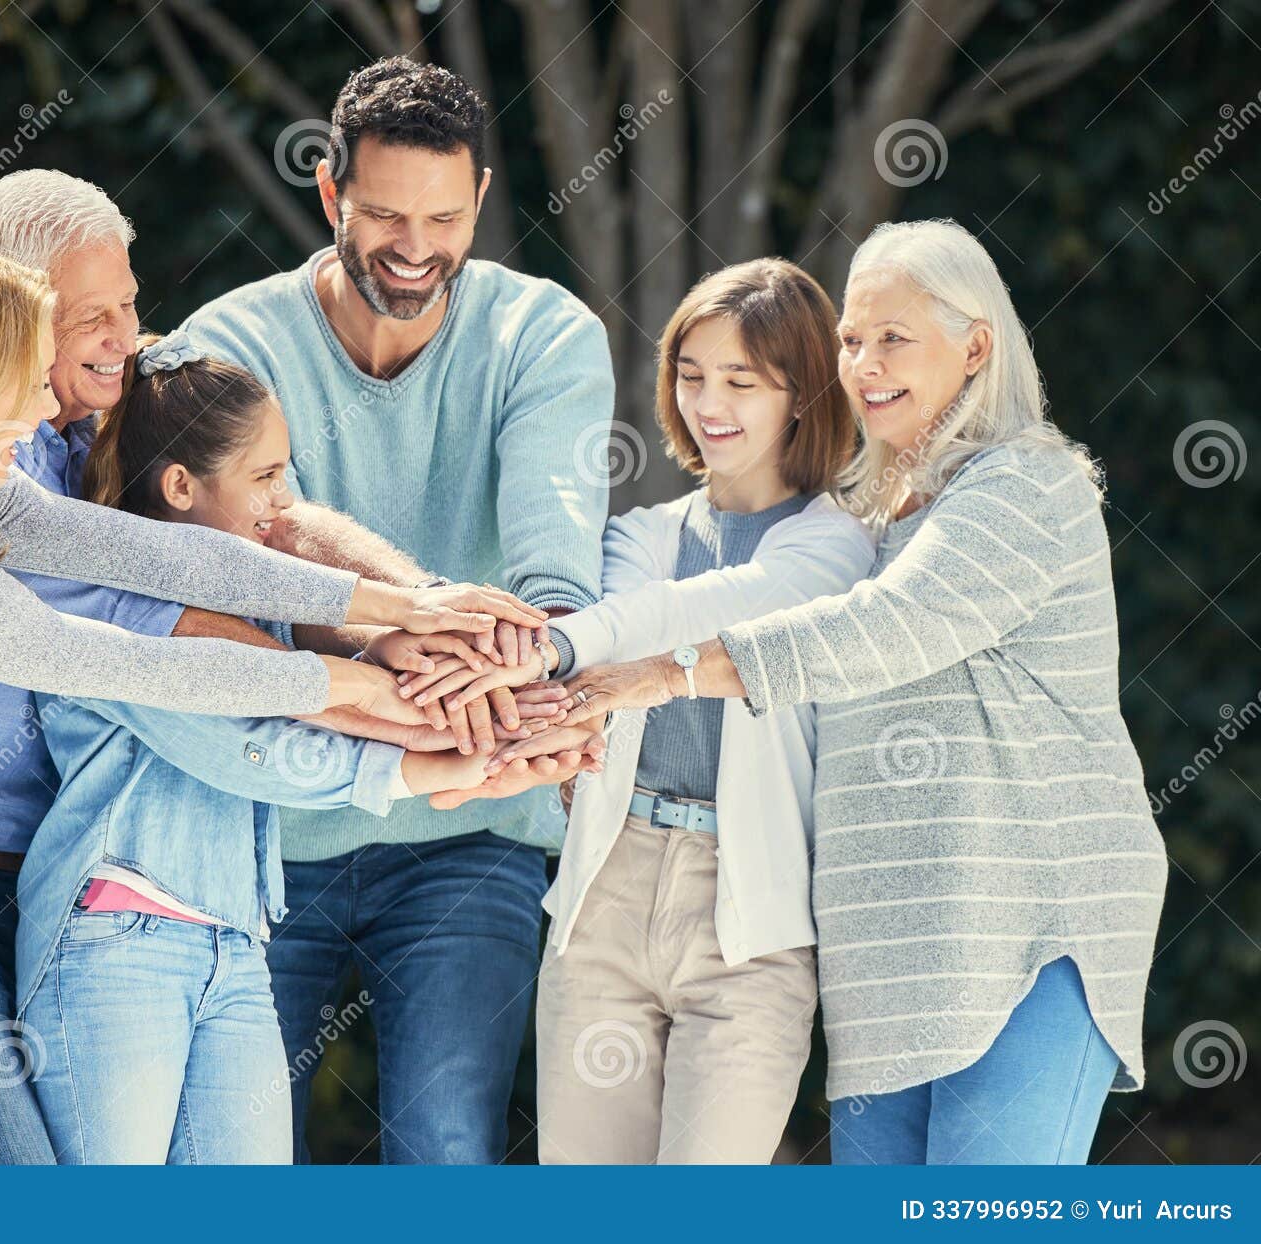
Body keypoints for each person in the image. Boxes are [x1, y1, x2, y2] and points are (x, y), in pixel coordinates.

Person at [0, 243, 537, 1166]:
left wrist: (402, 608)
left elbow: (164, 558)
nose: (51, 407)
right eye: (27, 379)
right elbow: (134, 664)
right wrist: (370, 687)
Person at [543, 220, 1168, 1166]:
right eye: (852, 339)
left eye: (894, 337)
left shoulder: (1027, 484)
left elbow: (889, 628)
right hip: (885, 958)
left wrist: (663, 674)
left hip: (1027, 936)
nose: (865, 362)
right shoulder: (873, 519)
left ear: (976, 347)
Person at [14, 333, 604, 1163]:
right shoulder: (112, 603)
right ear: (180, 485)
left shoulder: (254, 608)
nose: (281, 501)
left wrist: (492, 723)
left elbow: (323, 666)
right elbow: (248, 744)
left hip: (236, 940)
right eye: (263, 476)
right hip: (118, 941)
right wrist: (443, 757)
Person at [180, 55, 612, 1166]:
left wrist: (533, 661)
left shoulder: (544, 336)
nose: (413, 248)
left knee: (445, 1150)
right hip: (272, 816)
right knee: (228, 1157)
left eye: (442, 216)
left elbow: (554, 552)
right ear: (330, 195)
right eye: (380, 216)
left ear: (476, 202)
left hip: (471, 816)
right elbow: (243, 564)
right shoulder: (226, 348)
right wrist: (412, 634)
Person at [530, 260, 872, 1162]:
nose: (707, 403)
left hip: (750, 920)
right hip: (606, 895)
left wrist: (574, 648)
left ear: (800, 394)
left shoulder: (835, 547)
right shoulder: (642, 535)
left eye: (741, 381)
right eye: (691, 374)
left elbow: (708, 612)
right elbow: (626, 631)